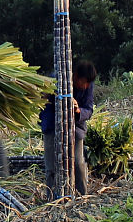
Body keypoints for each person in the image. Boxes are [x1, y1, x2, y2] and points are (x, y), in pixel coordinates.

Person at [40, 59, 96, 198]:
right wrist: (56, 101)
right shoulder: (55, 80)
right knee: (51, 166)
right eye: (84, 82)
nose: (86, 85)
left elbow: (88, 110)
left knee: (78, 163)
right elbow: (42, 102)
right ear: (75, 76)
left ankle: (83, 196)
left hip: (76, 127)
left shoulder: (88, 85)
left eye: (89, 83)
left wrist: (77, 111)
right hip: (52, 124)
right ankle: (51, 198)